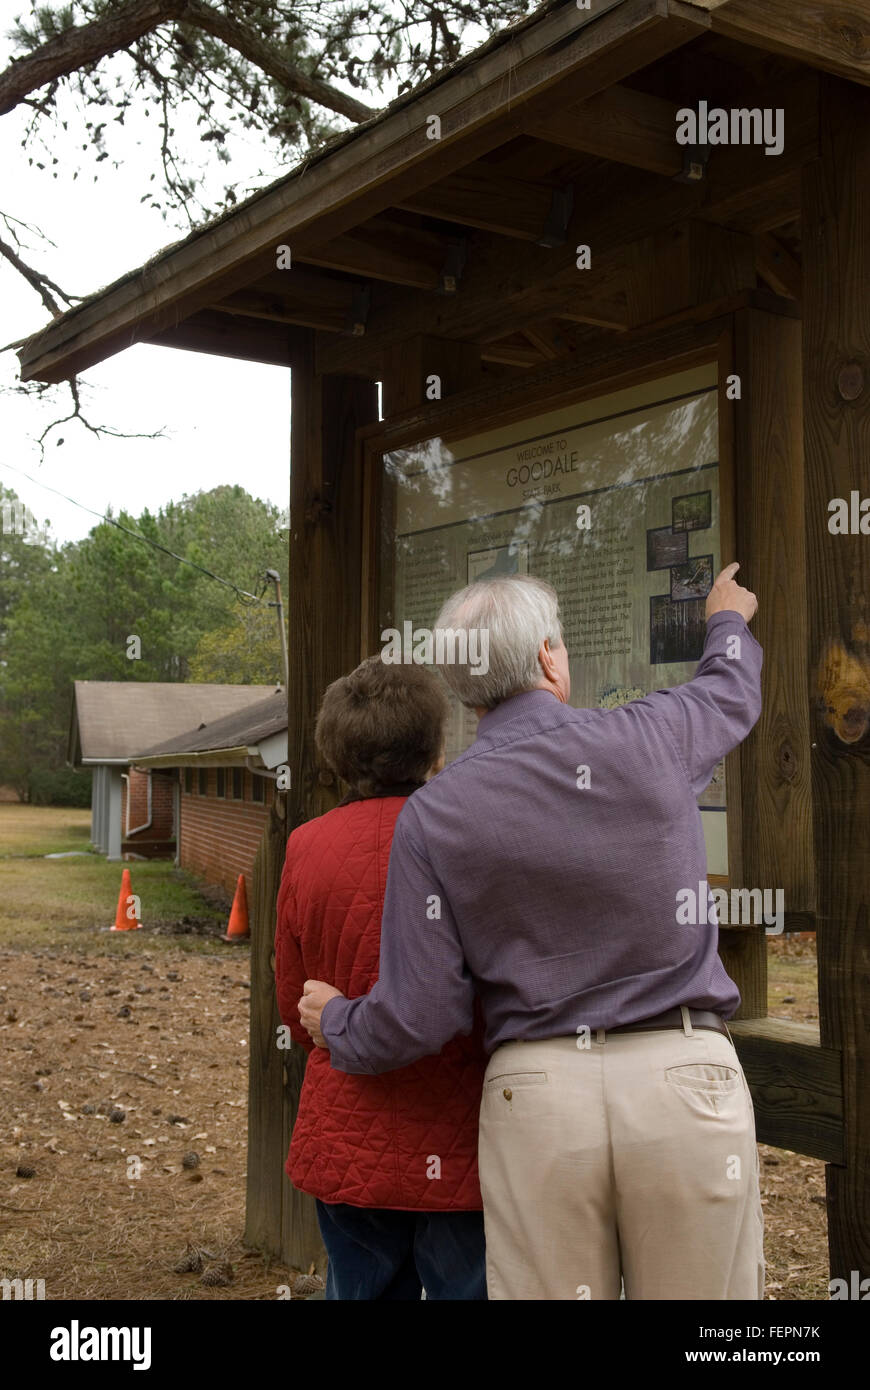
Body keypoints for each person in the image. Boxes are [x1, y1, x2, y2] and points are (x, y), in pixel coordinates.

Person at [299, 563, 766, 1301]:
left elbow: (422, 1012)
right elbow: (730, 692)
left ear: (461, 688)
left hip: (537, 1100)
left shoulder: (433, 816)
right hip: (682, 1080)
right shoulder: (654, 736)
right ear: (550, 657)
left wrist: (338, 1022)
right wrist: (726, 619)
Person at [274, 656, 488, 1301]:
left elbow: (293, 1003)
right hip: (462, 1130)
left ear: (338, 758)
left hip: (347, 1126)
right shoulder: (469, 835)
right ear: (436, 750)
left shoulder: (307, 845)